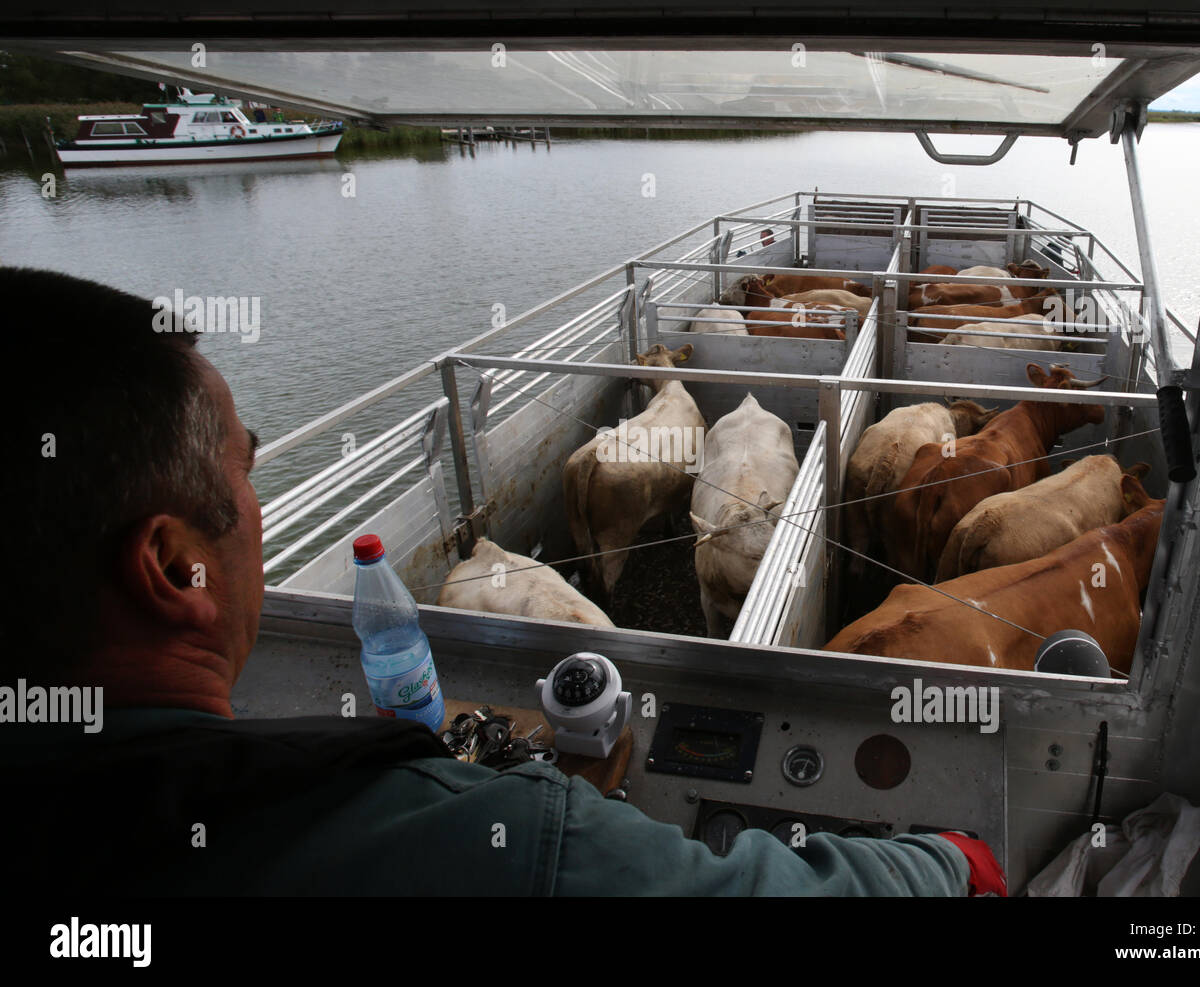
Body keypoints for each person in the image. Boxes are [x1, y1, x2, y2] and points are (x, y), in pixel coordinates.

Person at [0, 267, 1005, 896]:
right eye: (248, 471)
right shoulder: (481, 846)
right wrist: (951, 859)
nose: (259, 508)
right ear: (176, 565)